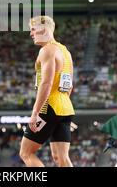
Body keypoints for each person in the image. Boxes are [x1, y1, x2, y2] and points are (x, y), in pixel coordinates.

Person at [20, 15, 75, 167]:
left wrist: (35, 112)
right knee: (61, 157)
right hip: (65, 107)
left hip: (48, 106)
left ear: (42, 29)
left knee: (26, 152)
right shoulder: (66, 52)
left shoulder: (47, 51)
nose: (31, 34)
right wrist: (61, 112)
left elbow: (46, 83)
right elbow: (69, 85)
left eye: (32, 29)